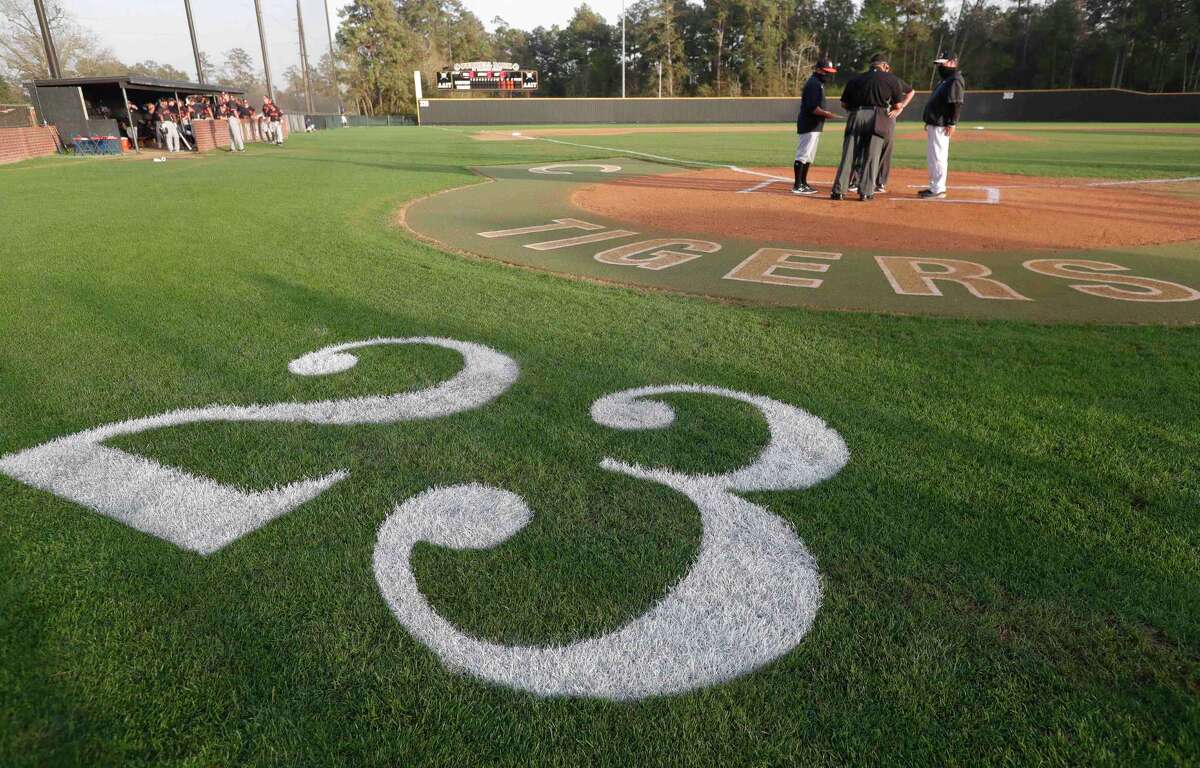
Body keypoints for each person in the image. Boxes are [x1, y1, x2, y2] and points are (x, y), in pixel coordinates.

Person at [831, 54, 914, 202]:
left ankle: (839, 191)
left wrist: (855, 111)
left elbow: (844, 104)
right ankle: (866, 192)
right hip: (878, 116)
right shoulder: (891, 79)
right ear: (885, 66)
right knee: (872, 155)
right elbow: (897, 105)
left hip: (856, 115)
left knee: (849, 154)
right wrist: (897, 109)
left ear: (871, 65)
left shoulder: (856, 79)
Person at [920, 51, 966, 199]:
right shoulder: (945, 80)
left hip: (941, 124)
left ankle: (939, 188)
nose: (939, 66)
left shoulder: (955, 79)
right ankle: (934, 187)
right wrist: (929, 120)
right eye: (938, 63)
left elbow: (956, 103)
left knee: (939, 156)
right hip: (934, 122)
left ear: (953, 62)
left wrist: (952, 123)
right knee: (932, 157)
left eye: (943, 63)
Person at [792, 59, 841, 196]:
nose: (828, 74)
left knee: (809, 156)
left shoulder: (818, 83)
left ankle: (803, 182)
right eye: (826, 71)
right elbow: (812, 108)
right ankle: (797, 185)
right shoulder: (813, 84)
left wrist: (826, 114)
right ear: (819, 69)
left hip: (815, 125)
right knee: (803, 154)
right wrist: (827, 114)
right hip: (809, 124)